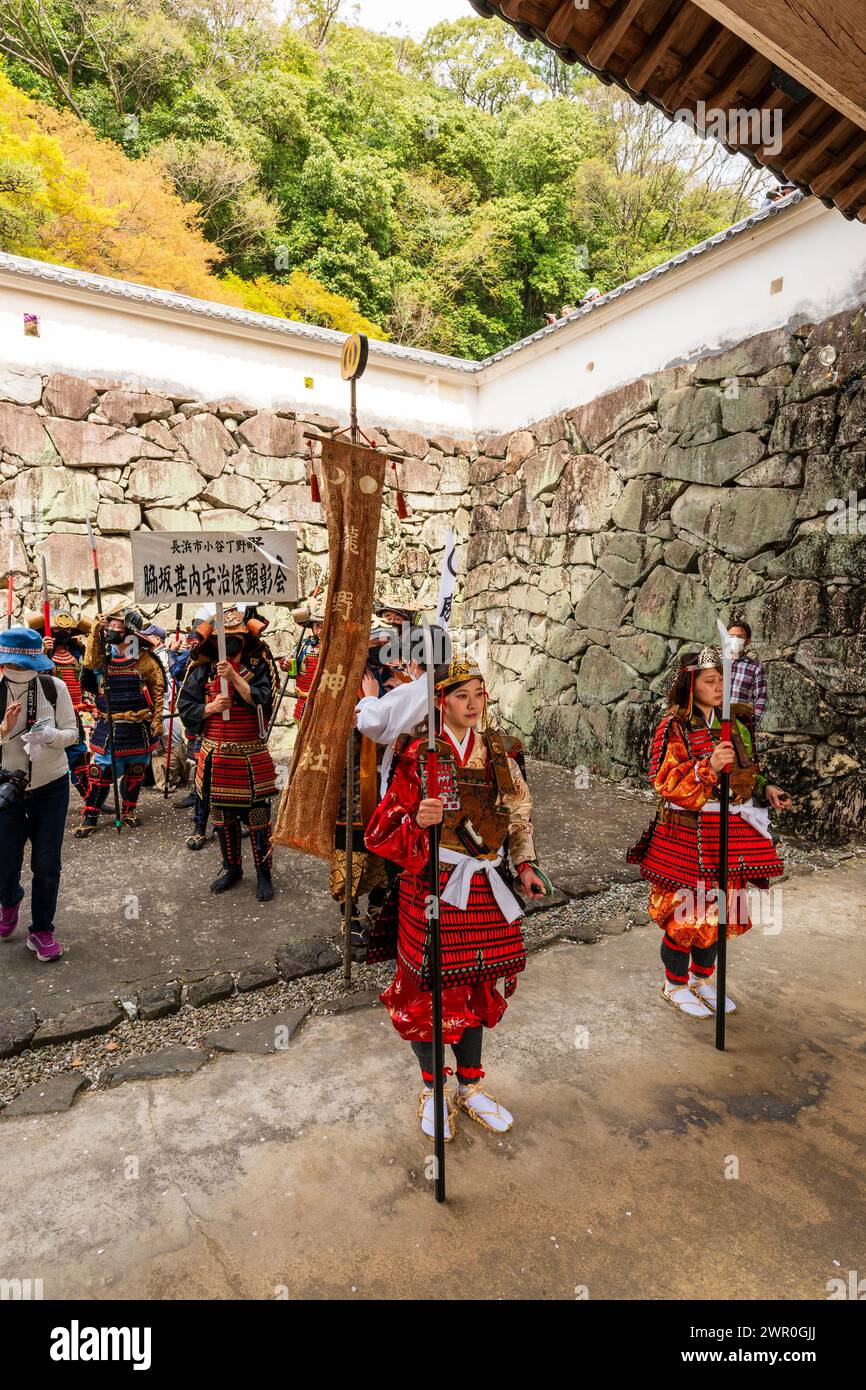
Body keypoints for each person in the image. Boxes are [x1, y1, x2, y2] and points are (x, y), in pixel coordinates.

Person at [365, 651, 548, 1141]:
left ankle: (470, 1087)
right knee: (431, 993)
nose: (472, 704)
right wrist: (414, 821)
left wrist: (525, 864)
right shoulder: (416, 754)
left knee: (477, 983)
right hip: (432, 887)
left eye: (478, 695)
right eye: (461, 696)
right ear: (440, 703)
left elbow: (516, 813)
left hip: (485, 884)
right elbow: (381, 828)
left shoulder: (500, 752)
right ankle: (432, 1090)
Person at [627, 646, 791, 1018]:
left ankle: (702, 979)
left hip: (729, 832)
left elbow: (748, 769)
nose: (719, 687)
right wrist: (706, 768)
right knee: (687, 914)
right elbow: (663, 781)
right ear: (690, 684)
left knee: (722, 911)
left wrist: (765, 787)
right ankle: (675, 984)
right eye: (711, 680)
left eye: (723, 680)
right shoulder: (674, 726)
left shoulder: (735, 723)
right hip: (687, 834)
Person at [178, 607, 278, 901]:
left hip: (251, 756)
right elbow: (186, 707)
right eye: (225, 638)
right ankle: (232, 868)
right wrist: (210, 708)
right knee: (222, 818)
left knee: (259, 818)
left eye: (236, 638)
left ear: (245, 641)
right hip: (216, 757)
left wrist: (234, 678)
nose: (231, 643)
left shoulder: (257, 668)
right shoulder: (201, 672)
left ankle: (264, 874)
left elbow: (263, 703)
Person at [0, 626, 78, 962]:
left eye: (21, 665)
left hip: (51, 785)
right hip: (6, 789)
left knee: (47, 864)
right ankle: (10, 898)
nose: (15, 671)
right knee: (5, 863)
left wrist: (50, 737)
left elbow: (73, 732)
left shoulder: (53, 687)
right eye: (10, 665)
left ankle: (42, 929)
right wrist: (2, 731)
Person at [75, 609, 165, 836]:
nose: (112, 630)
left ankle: (128, 811)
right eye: (110, 626)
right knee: (101, 772)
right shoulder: (103, 658)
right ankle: (90, 814)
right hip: (110, 726)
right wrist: (96, 629)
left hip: (138, 727)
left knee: (136, 771)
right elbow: (90, 662)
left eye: (117, 627)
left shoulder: (145, 660)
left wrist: (157, 720)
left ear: (130, 632)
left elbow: (158, 692)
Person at [29, 609, 91, 798]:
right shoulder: (34, 650)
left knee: (79, 754)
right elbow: (30, 675)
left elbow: (86, 674)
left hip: (71, 712)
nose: (62, 634)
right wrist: (42, 651)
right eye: (56, 630)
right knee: (37, 756)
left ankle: (90, 799)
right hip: (43, 711)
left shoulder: (77, 650)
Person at [142, 624, 189, 795]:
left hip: (161, 704)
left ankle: (166, 780)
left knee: (162, 744)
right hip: (161, 704)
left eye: (146, 638)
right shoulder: (158, 655)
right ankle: (175, 775)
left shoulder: (159, 657)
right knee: (166, 741)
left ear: (156, 639)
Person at [728, 619, 768, 724]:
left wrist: (753, 723)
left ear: (748, 641)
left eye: (740, 637)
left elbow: (761, 698)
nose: (735, 640)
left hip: (740, 723)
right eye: (731, 636)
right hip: (714, 721)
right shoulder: (716, 662)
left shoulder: (755, 668)